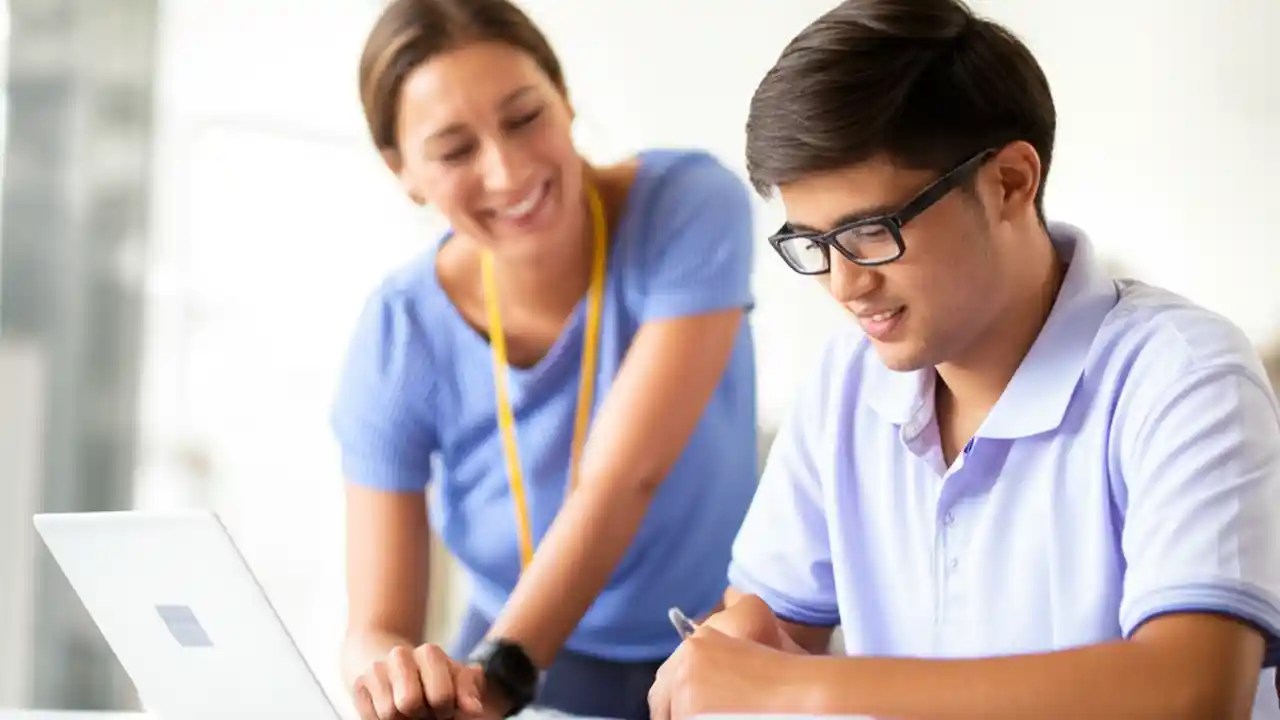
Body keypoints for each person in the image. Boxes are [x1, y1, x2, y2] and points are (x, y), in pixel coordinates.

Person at [647, 0, 1280, 718]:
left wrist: (799, 684)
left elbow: (1191, 689)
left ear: (1010, 181)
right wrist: (741, 649)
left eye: (870, 231)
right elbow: (768, 626)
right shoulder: (848, 381)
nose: (846, 283)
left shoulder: (1184, 375)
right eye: (812, 244)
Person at [330, 1, 759, 719]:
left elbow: (625, 478)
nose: (507, 170)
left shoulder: (688, 207)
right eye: (455, 150)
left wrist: (499, 678)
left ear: (563, 98)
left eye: (525, 117)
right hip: (511, 650)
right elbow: (373, 628)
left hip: (712, 644)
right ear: (402, 170)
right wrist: (394, 680)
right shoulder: (399, 332)